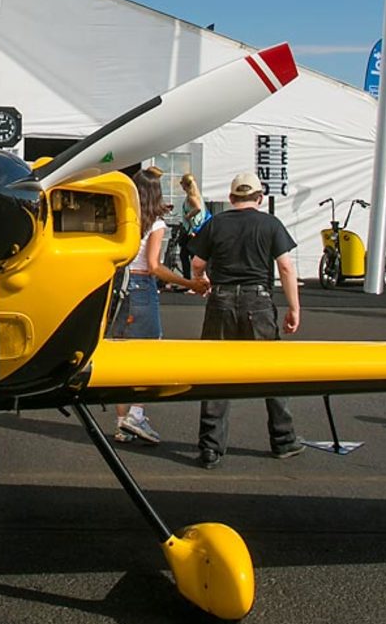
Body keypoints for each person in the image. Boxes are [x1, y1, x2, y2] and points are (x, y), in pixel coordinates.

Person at [189, 171, 304, 469]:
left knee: (215, 373)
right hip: (259, 300)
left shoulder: (216, 223)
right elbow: (286, 268)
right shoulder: (270, 224)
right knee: (272, 373)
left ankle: (211, 448)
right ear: (259, 198)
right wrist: (294, 308)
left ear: (230, 198)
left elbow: (197, 263)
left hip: (222, 300)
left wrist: (201, 280)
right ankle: (284, 440)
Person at [110, 167, 209, 444]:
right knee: (150, 354)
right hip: (141, 288)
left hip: (118, 286)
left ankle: (121, 423)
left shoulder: (122, 219)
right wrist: (189, 283)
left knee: (120, 356)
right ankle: (137, 415)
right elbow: (154, 266)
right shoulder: (155, 224)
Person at [178, 172, 210, 286]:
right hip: (195, 230)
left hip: (191, 231)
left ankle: (190, 280)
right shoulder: (196, 196)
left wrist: (188, 215)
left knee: (187, 255)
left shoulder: (191, 197)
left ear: (185, 185)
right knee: (191, 255)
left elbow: (197, 208)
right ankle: (195, 279)